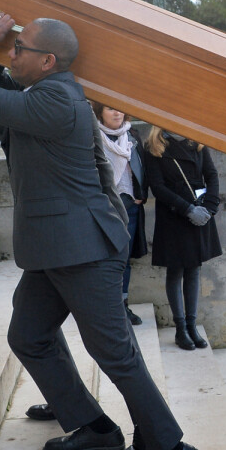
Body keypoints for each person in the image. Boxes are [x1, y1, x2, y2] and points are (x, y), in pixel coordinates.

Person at [0, 10, 201, 450]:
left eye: (20, 49)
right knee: (29, 335)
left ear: (47, 61)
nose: (12, 54)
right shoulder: (38, 98)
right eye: (11, 47)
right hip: (57, 246)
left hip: (83, 250)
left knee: (115, 353)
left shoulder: (59, 98)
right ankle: (93, 425)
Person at [144, 125, 222, 351]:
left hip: (200, 213)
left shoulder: (196, 142)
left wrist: (210, 207)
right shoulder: (155, 147)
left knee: (194, 269)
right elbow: (157, 187)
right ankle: (180, 328)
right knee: (176, 270)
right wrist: (187, 210)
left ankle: (192, 324)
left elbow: (212, 175)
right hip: (175, 216)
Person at [92, 102, 148, 326]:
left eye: (119, 108)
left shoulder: (131, 135)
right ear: (99, 113)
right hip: (106, 208)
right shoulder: (93, 136)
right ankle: (107, 307)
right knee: (106, 259)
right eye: (109, 109)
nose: (116, 113)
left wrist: (141, 192)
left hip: (130, 205)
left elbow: (143, 165)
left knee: (124, 260)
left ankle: (123, 306)